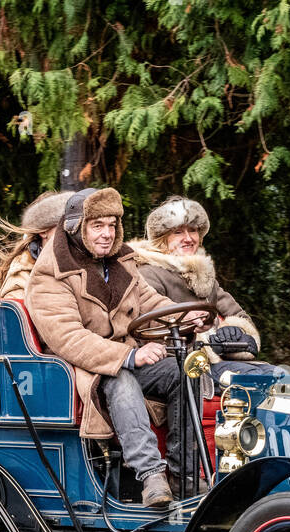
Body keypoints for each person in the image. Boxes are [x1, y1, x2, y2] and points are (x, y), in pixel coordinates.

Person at [25, 187, 204, 508]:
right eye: (97, 226)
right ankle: (151, 475)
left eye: (112, 225)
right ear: (76, 227)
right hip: (81, 370)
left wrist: (186, 315)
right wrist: (130, 356)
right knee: (121, 380)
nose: (107, 234)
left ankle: (184, 476)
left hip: (126, 356)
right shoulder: (49, 275)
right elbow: (68, 338)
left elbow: (148, 301)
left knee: (183, 370)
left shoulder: (121, 262)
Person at [128, 196, 282, 384]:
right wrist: (205, 338)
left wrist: (233, 332)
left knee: (278, 376)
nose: (188, 238)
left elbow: (239, 316)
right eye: (178, 232)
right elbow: (151, 330)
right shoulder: (148, 273)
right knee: (264, 379)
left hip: (211, 363)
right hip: (175, 366)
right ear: (162, 239)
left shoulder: (203, 276)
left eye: (192, 230)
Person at [0, 190, 75, 301]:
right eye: (65, 226)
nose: (72, 232)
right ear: (43, 232)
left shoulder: (80, 262)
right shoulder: (21, 278)